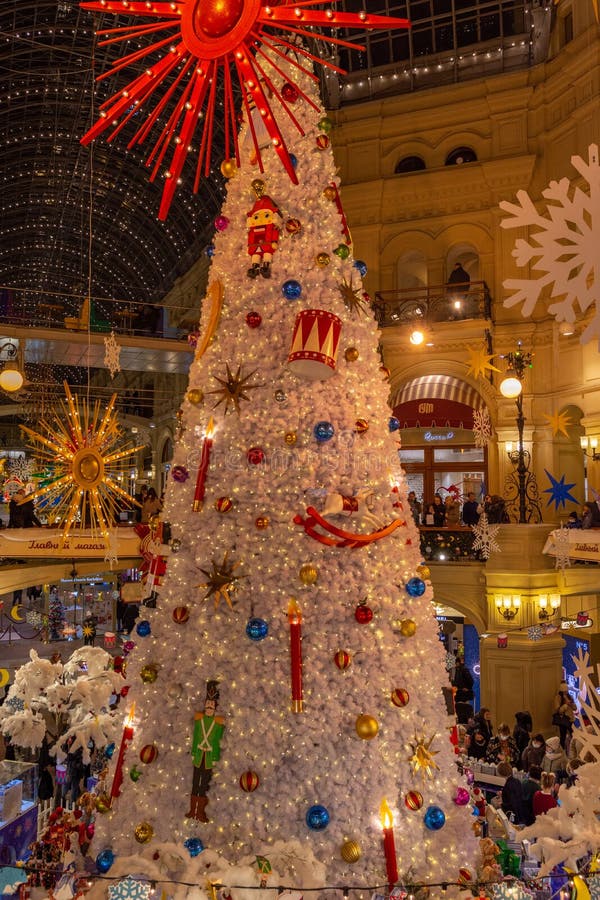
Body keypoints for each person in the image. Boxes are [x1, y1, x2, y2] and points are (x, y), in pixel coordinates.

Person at [188, 680, 225, 823]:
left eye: (212, 704)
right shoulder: (199, 720)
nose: (209, 706)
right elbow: (196, 738)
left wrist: (215, 756)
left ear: (215, 706)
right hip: (199, 755)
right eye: (207, 704)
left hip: (209, 756)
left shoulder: (217, 722)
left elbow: (217, 740)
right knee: (195, 782)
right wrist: (193, 753)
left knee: (204, 785)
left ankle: (201, 812)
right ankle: (192, 810)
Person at [553, 681, 576, 750]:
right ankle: (563, 750)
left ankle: (574, 749)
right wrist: (565, 705)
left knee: (573, 735)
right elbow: (558, 710)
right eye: (564, 691)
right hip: (563, 720)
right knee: (562, 736)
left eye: (566, 691)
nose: (566, 692)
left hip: (570, 719)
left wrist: (570, 704)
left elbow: (575, 708)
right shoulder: (558, 698)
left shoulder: (570, 696)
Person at [452, 657, 474, 725]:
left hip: (463, 694)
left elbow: (470, 681)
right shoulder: (458, 669)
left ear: (457, 662)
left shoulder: (463, 669)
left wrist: (467, 688)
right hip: (460, 693)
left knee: (464, 710)